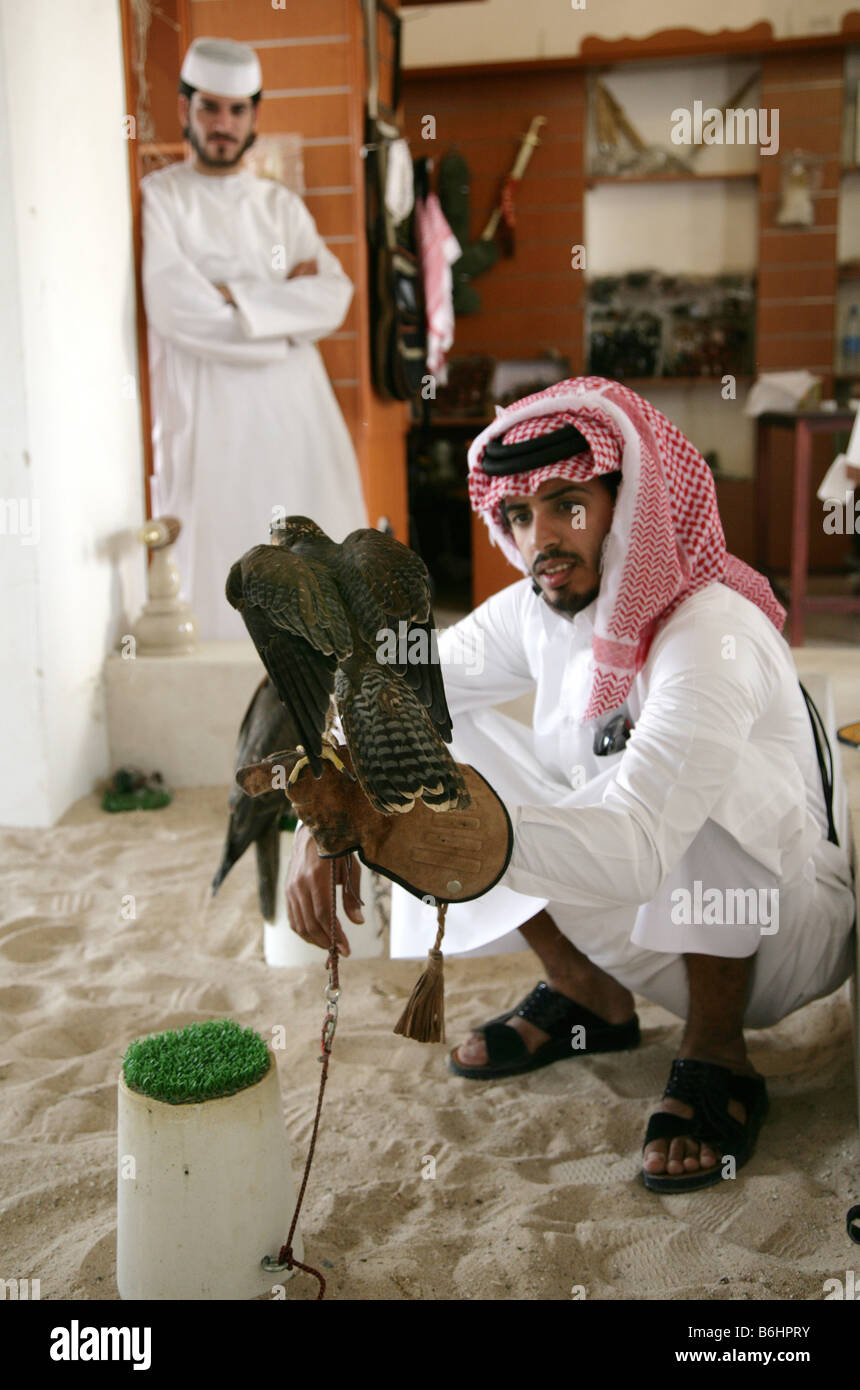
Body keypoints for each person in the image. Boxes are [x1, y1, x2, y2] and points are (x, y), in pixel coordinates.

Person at [284, 376, 855, 1192]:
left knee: (695, 780)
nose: (540, 537)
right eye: (519, 515)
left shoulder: (712, 632)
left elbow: (643, 842)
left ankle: (716, 1050)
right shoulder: (537, 609)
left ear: (633, 502)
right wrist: (329, 801)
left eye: (567, 504)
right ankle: (587, 993)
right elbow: (389, 686)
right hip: (638, 911)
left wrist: (419, 828)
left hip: (774, 938)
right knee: (433, 723)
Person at [141, 37, 367, 640]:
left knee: (313, 563)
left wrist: (232, 296)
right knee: (227, 559)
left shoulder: (282, 207)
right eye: (210, 108)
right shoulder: (161, 199)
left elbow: (333, 296)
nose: (223, 124)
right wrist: (278, 325)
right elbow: (176, 309)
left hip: (299, 417)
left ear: (254, 116)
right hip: (212, 414)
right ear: (185, 108)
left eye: (237, 110)